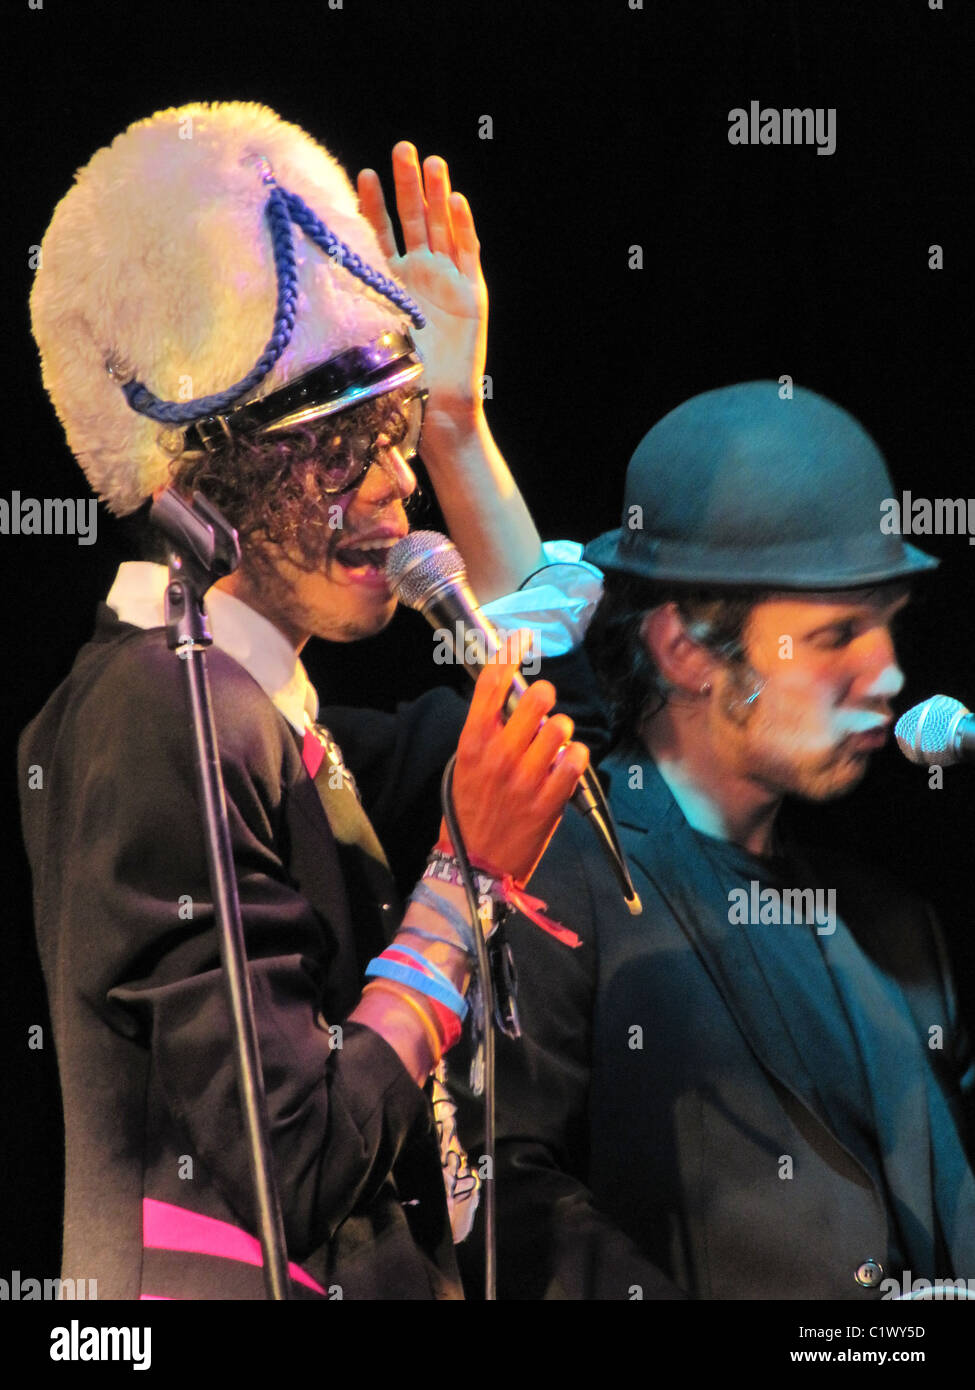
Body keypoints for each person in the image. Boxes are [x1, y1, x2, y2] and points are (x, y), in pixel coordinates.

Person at [18, 101, 598, 1301]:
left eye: (391, 436)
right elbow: (294, 1160)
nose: (397, 489)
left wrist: (459, 429)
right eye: (344, 447)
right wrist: (464, 886)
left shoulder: (282, 722)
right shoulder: (159, 707)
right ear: (205, 483)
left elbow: (550, 722)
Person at [456, 381, 975, 1300]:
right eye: (833, 635)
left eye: (887, 623)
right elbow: (499, 1192)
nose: (887, 670)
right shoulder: (556, 869)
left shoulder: (896, 930)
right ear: (686, 649)